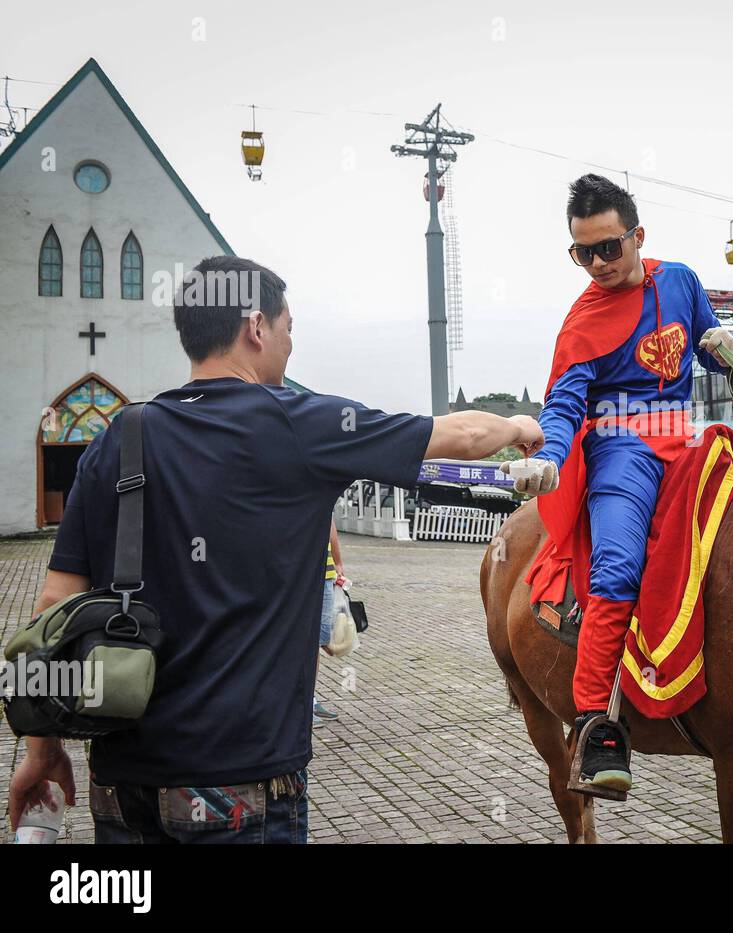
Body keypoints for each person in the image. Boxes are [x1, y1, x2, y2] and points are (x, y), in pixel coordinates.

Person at [7, 255, 543, 843]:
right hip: (242, 789)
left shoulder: (119, 436)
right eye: (289, 330)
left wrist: (42, 748)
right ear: (257, 328)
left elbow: (53, 609)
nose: (290, 347)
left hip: (122, 785)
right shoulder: (301, 424)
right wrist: (521, 425)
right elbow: (461, 436)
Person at [500, 174, 733, 793]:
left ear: (638, 236)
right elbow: (563, 402)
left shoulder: (681, 280)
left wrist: (720, 345)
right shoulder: (580, 323)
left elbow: (706, 345)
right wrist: (552, 454)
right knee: (617, 568)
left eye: (609, 247)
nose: (598, 264)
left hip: (687, 442)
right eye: (583, 253)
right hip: (620, 452)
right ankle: (596, 727)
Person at [313, 520, 345, 726]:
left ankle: (309, 700)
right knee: (303, 641)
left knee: (315, 641)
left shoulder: (322, 490)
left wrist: (338, 561)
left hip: (325, 573)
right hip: (298, 573)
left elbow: (329, 521)